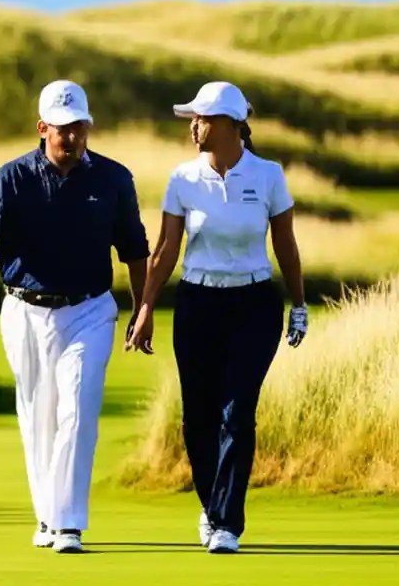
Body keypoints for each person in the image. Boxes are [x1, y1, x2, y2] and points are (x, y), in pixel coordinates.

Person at [0, 80, 150, 554]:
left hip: (89, 310)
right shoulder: (12, 178)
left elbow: (134, 251)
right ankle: (47, 517)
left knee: (78, 409)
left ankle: (68, 523)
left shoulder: (114, 180)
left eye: (79, 127)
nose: (71, 137)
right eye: (61, 129)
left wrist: (142, 306)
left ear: (88, 126)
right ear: (41, 127)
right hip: (25, 312)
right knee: (38, 417)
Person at [125, 81, 307, 555]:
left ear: (229, 125)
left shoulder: (268, 175)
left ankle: (227, 523)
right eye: (192, 120)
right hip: (198, 304)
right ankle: (211, 507)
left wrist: (300, 304)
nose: (194, 127)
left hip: (253, 306)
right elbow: (166, 250)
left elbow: (285, 245)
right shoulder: (182, 179)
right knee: (197, 420)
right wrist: (145, 307)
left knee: (236, 412)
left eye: (200, 120)